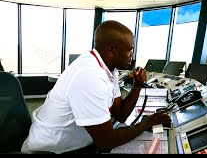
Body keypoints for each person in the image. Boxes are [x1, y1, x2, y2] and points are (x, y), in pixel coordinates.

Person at [21, 20, 172, 154]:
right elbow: (106, 142)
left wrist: (137, 85)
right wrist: (148, 123)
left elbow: (120, 115)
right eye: (129, 49)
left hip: (78, 144)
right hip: (52, 150)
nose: (132, 55)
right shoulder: (89, 75)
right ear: (111, 50)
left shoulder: (108, 69)